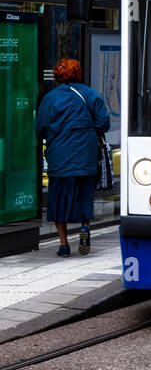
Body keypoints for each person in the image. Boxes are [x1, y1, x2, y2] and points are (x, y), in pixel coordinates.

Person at [35, 59, 110, 257]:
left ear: (57, 76)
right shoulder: (90, 94)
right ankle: (85, 229)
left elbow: (40, 128)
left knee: (59, 200)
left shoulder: (50, 98)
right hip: (86, 157)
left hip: (60, 159)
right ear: (78, 73)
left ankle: (64, 244)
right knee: (85, 196)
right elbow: (103, 123)